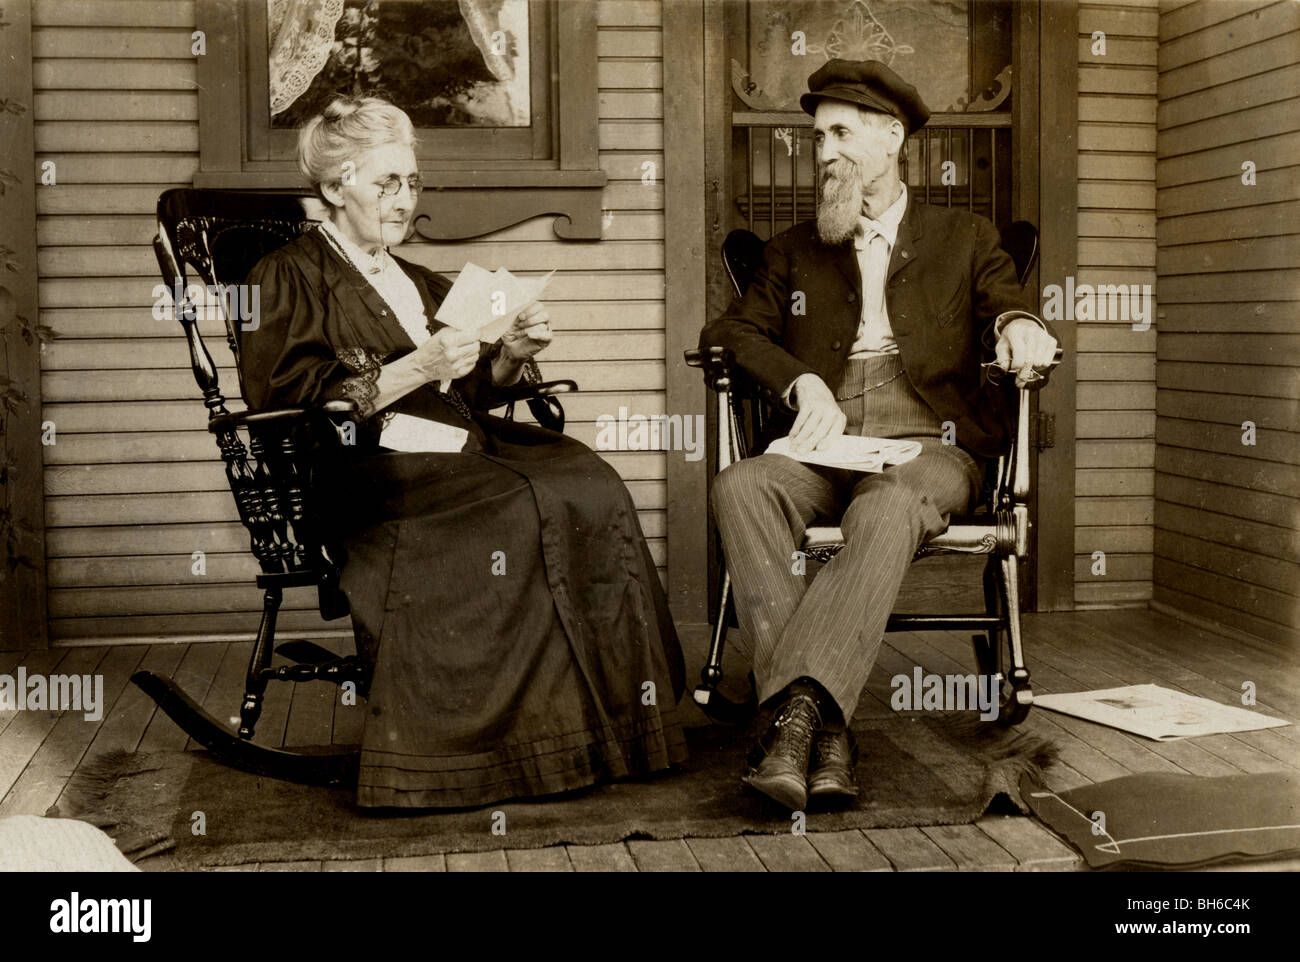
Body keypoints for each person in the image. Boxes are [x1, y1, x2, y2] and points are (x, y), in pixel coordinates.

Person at [241, 96, 686, 809]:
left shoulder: (416, 279)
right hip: (364, 469)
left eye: (411, 183)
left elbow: (470, 390)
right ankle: (499, 751)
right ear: (333, 187)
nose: (403, 200)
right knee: (515, 499)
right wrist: (417, 366)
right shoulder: (285, 275)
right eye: (386, 183)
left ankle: (615, 731)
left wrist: (508, 354)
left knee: (586, 478)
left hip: (449, 448)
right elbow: (290, 406)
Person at [699, 60, 1060, 810]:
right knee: (742, 484)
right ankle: (821, 731)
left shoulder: (963, 236)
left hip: (930, 442)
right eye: (816, 137)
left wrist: (1022, 326)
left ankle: (793, 721)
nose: (822, 152)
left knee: (885, 507)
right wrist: (800, 382)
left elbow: (1007, 303)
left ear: (892, 137)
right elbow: (731, 332)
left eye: (839, 133)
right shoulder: (796, 249)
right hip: (826, 442)